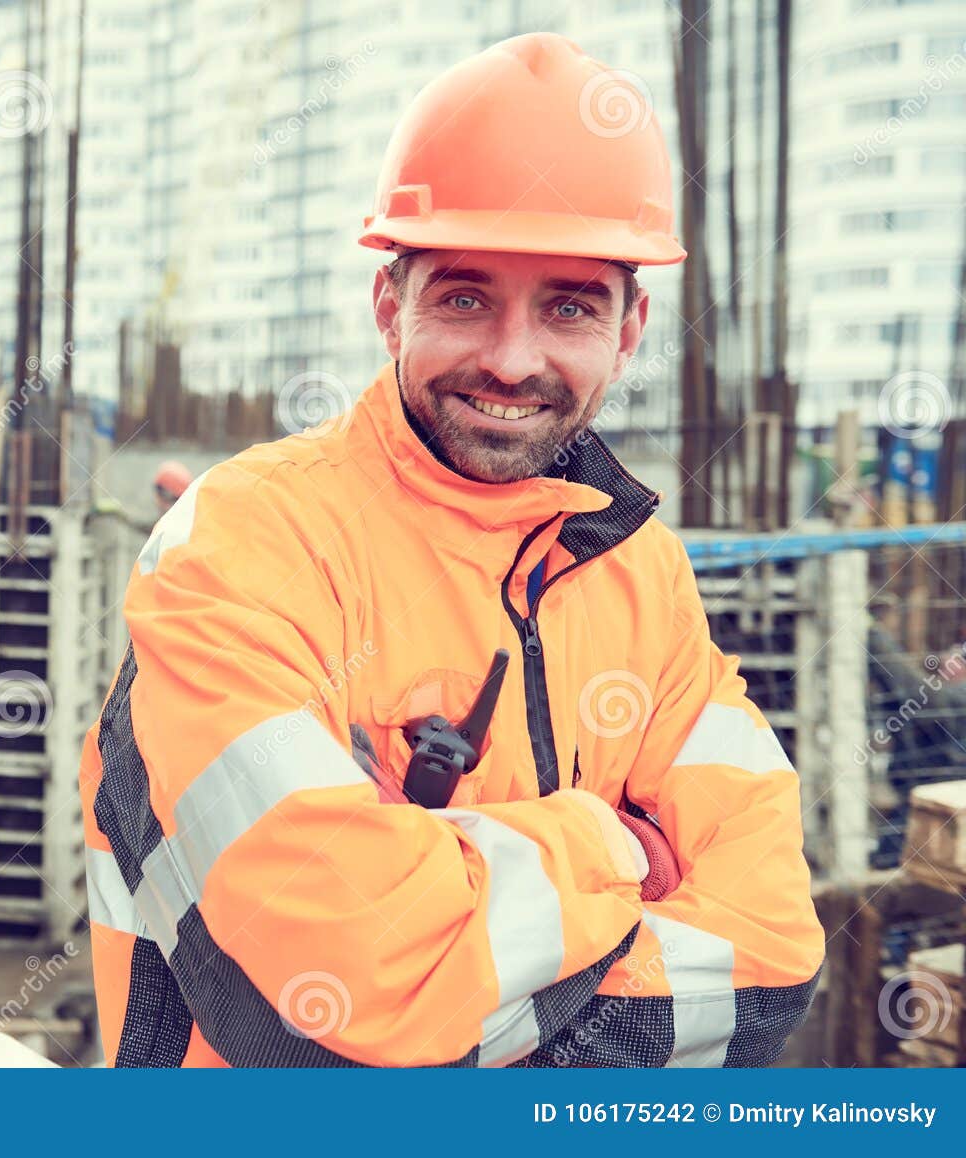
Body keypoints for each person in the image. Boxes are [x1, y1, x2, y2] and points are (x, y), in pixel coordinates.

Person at [79, 32, 824, 1068]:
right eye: (464, 298)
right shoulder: (244, 548)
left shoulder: (642, 575)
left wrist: (451, 907)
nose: (511, 360)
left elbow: (770, 957)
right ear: (390, 307)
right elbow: (321, 1011)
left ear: (629, 330)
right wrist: (612, 846)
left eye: (568, 306)